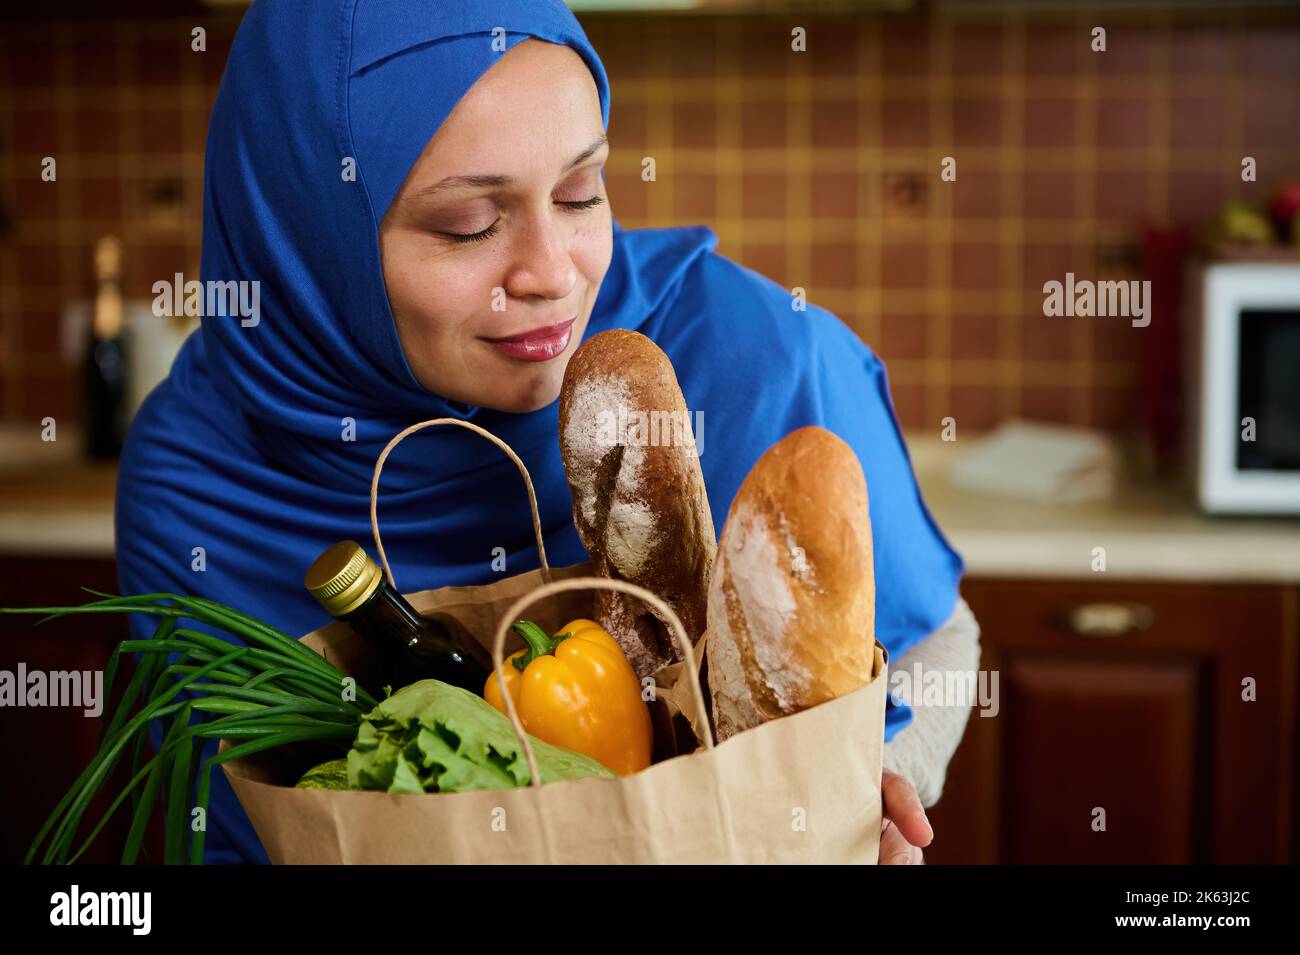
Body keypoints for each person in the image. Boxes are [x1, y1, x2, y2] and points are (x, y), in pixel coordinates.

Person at [116, 0, 979, 865]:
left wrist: (868, 789)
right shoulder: (193, 477)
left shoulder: (756, 354)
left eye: (580, 193)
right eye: (470, 225)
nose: (555, 274)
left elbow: (938, 636)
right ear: (305, 236)